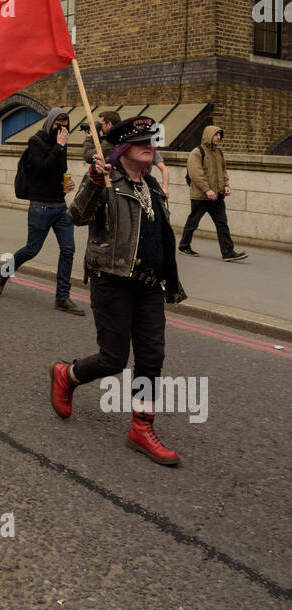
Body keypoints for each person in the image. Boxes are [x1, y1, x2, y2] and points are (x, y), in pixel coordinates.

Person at [49, 117, 187, 466]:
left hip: (150, 284)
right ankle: (68, 374)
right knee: (113, 358)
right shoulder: (106, 179)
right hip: (112, 278)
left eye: (151, 139)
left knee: (152, 357)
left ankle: (142, 428)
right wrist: (96, 181)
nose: (149, 144)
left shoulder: (152, 186)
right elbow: (77, 214)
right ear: (124, 146)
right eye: (141, 139)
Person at [0, 107, 82, 314]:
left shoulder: (61, 144)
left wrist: (65, 183)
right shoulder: (36, 141)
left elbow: (59, 169)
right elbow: (41, 169)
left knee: (68, 250)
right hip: (40, 206)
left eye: (65, 125)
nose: (61, 128)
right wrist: (59, 146)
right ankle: (4, 272)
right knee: (32, 249)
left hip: (60, 207)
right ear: (49, 122)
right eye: (57, 124)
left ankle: (62, 297)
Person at [179, 126, 247, 261]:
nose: (218, 137)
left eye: (220, 135)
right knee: (193, 222)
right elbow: (196, 174)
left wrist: (226, 185)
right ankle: (184, 246)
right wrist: (207, 189)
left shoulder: (219, 153)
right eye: (216, 134)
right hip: (201, 196)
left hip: (217, 196)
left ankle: (228, 252)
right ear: (208, 135)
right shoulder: (197, 152)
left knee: (222, 224)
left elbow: (223, 171)